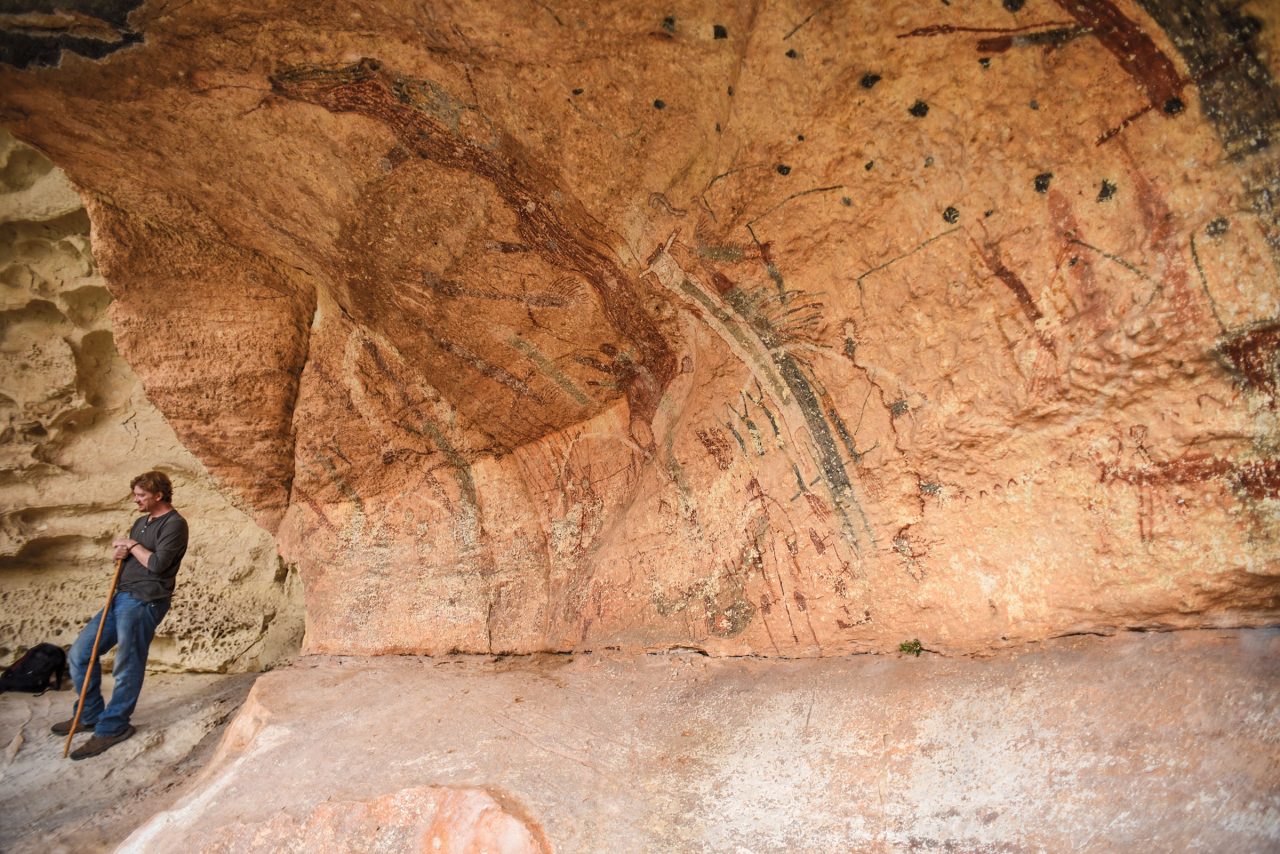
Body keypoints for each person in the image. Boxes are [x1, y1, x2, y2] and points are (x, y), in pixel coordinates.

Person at [53, 471, 189, 760]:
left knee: (127, 664)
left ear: (158, 496)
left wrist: (133, 546)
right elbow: (133, 558)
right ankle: (89, 715)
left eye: (141, 495)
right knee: (79, 654)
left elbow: (157, 564)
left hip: (145, 601)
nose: (135, 500)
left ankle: (114, 726)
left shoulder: (175, 524)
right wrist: (120, 554)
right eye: (135, 494)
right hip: (120, 597)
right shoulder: (141, 522)